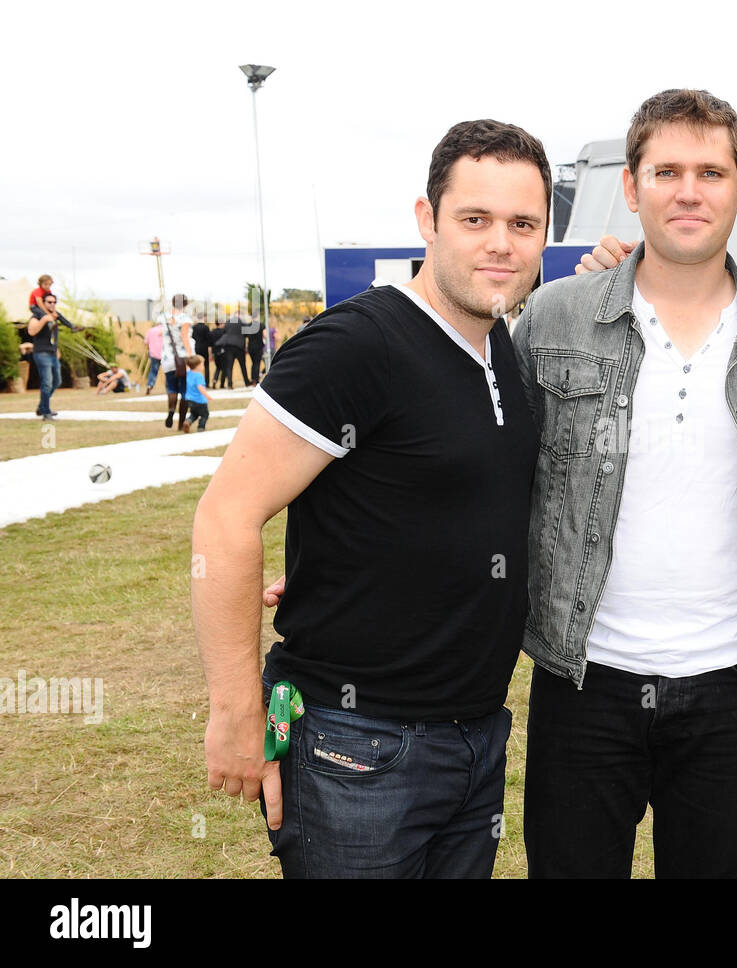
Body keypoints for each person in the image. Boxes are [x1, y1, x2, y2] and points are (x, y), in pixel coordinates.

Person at [193, 118, 550, 879]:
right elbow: (226, 516)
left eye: (523, 224)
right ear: (427, 219)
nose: (501, 244)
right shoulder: (357, 344)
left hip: (477, 736)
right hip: (354, 748)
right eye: (475, 219)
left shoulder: (500, 348)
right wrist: (235, 711)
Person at [513, 89, 737, 879]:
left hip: (735, 683)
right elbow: (482, 469)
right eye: (667, 172)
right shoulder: (554, 317)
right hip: (585, 679)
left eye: (711, 173)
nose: (689, 192)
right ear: (631, 186)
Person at [27, 292, 82, 419]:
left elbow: (53, 336)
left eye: (54, 302)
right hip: (42, 353)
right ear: (42, 303)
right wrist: (44, 320)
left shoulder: (55, 317)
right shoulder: (37, 316)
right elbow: (31, 331)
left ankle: (42, 407)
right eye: (49, 302)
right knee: (47, 382)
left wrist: (56, 349)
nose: (52, 304)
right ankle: (46, 412)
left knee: (57, 381)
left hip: (52, 353)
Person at [158, 293, 195, 429]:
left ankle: (171, 410)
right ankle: (181, 423)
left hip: (167, 358)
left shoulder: (164, 317)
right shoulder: (185, 319)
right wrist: (190, 356)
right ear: (185, 304)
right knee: (185, 391)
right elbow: (184, 338)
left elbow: (161, 333)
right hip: (182, 358)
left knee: (171, 388)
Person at [217, 313, 250, 388]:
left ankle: (230, 384)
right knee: (243, 365)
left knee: (229, 366)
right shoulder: (242, 323)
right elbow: (246, 333)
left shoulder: (227, 323)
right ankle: (247, 382)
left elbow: (224, 332)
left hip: (229, 346)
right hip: (239, 346)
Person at [181, 355, 212, 431]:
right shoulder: (199, 376)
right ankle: (201, 427)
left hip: (190, 400)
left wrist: (189, 360)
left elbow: (187, 366)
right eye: (202, 364)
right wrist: (207, 396)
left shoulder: (188, 373)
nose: (203, 366)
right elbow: (200, 387)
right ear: (197, 366)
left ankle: (188, 421)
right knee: (205, 415)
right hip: (200, 400)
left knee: (194, 414)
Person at [144, 321, 164, 394]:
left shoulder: (150, 330)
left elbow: (146, 342)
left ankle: (150, 385)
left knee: (153, 371)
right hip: (165, 354)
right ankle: (169, 387)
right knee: (168, 371)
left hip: (153, 354)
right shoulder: (165, 329)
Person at [246, 318, 265, 385]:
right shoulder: (261, 325)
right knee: (257, 363)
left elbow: (245, 336)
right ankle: (256, 380)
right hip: (258, 347)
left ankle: (253, 379)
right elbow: (265, 335)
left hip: (250, 347)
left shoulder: (248, 325)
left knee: (253, 363)